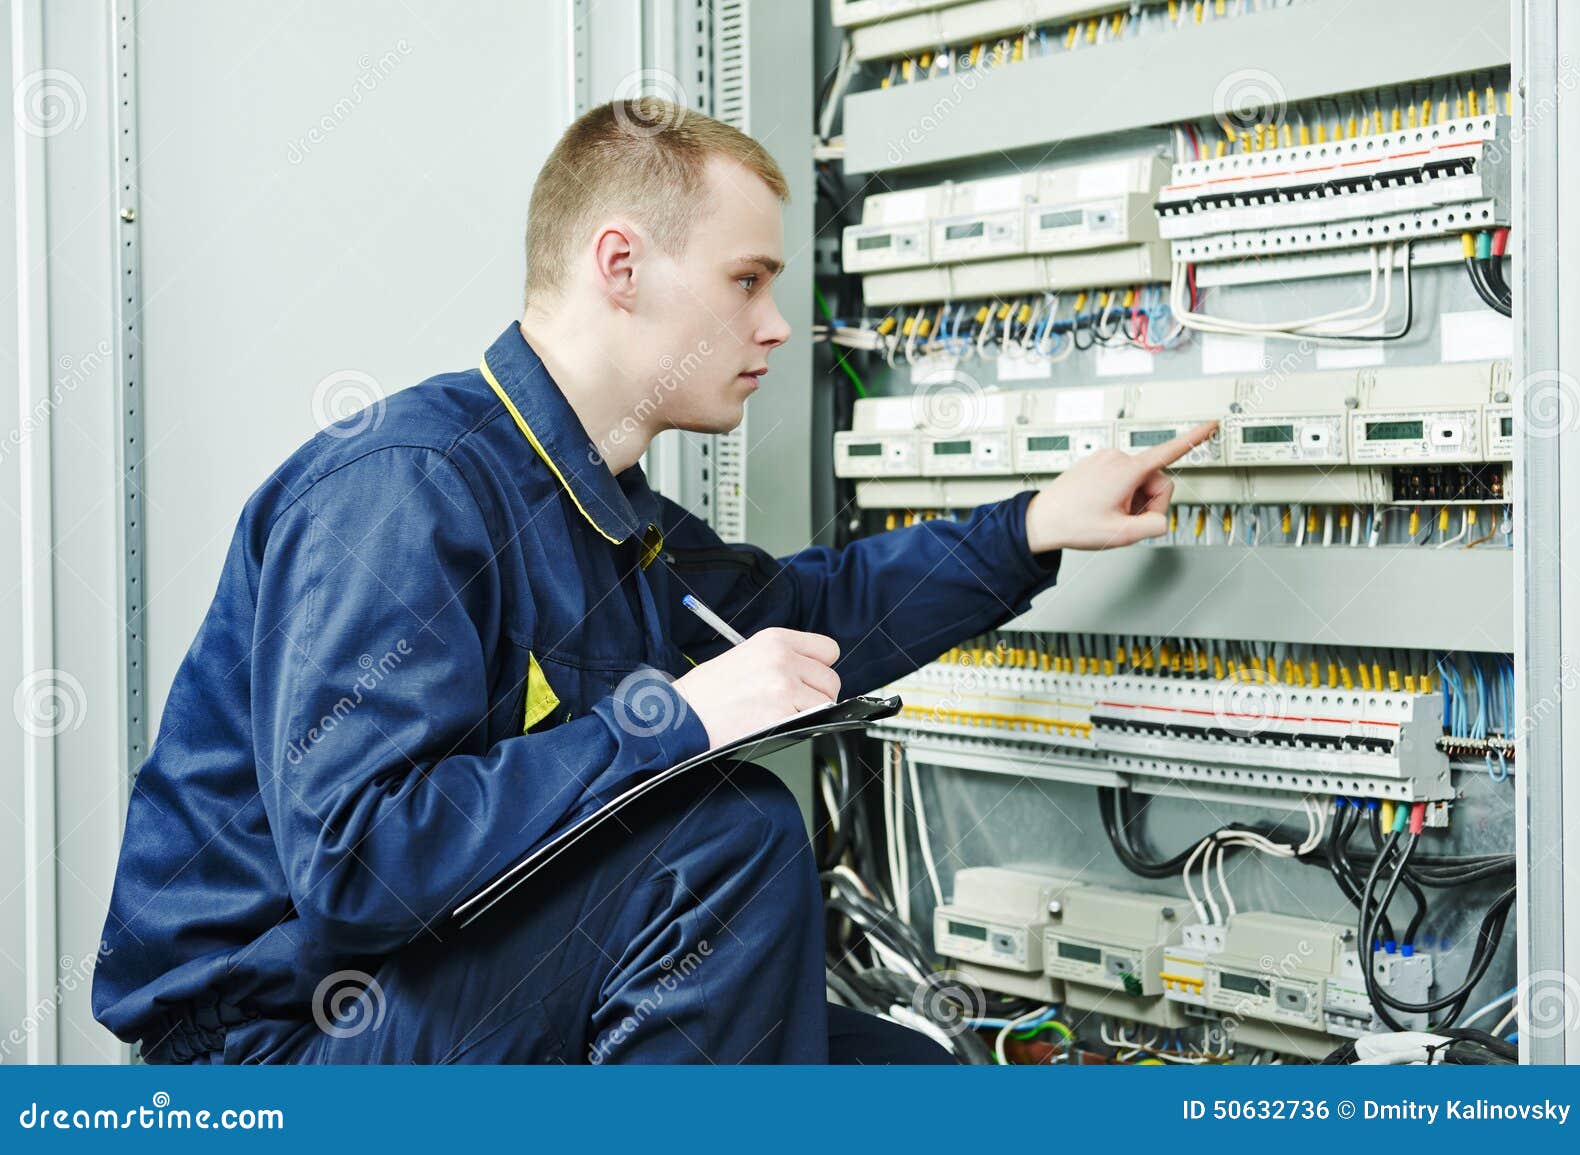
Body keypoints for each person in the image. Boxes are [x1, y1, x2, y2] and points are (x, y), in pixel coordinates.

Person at [92, 98, 1213, 1065]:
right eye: (747, 280)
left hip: (428, 991)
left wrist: (1029, 530)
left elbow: (795, 618)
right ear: (619, 266)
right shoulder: (407, 487)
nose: (778, 326)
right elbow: (360, 866)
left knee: (907, 1074)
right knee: (724, 840)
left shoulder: (593, 502)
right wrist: (669, 719)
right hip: (277, 1042)